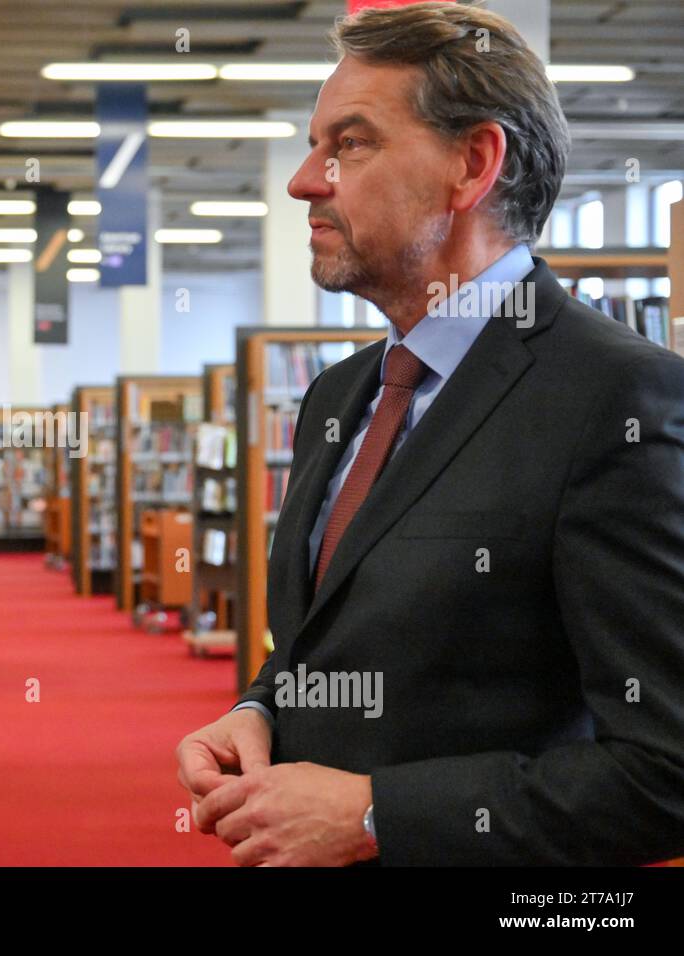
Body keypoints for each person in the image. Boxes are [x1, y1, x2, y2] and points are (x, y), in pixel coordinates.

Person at [176, 2, 684, 866]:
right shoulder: (339, 398)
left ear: (473, 163)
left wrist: (380, 815)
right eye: (313, 144)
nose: (305, 180)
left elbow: (668, 771)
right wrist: (260, 711)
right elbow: (340, 635)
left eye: (351, 143)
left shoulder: (615, 397)